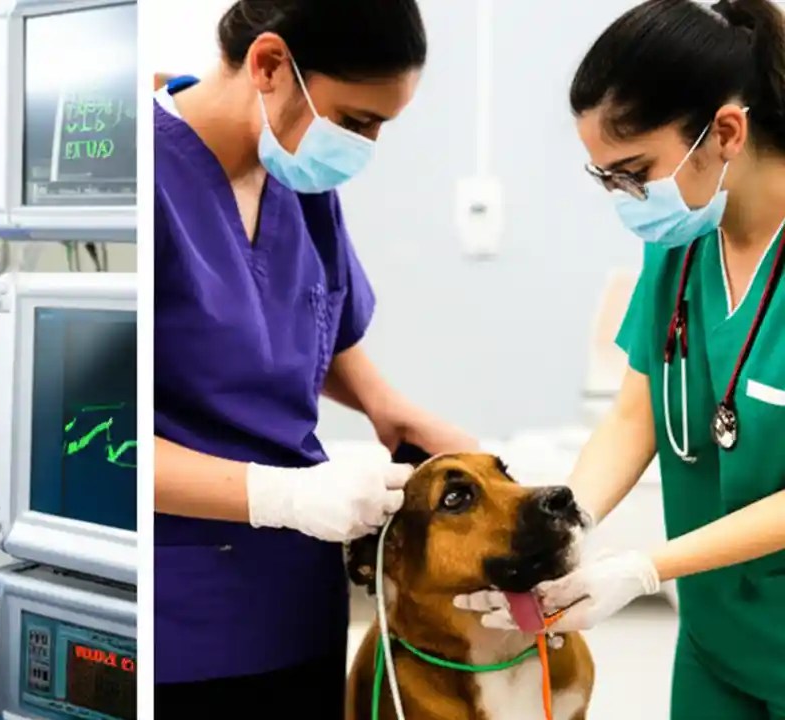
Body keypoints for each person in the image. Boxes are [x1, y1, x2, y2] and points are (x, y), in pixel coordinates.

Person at [454, 1, 785, 717]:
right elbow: (637, 412)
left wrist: (643, 568)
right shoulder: (680, 245)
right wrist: (566, 528)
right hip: (717, 647)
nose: (627, 199)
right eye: (608, 178)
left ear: (726, 131)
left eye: (635, 172)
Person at [153, 0, 477, 715]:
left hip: (296, 603)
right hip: (178, 616)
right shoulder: (135, 182)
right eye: (356, 120)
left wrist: (393, 411)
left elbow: (316, 324)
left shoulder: (301, 182)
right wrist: (288, 495)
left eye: (382, 125)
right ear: (269, 64)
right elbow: (98, 442)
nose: (366, 145)